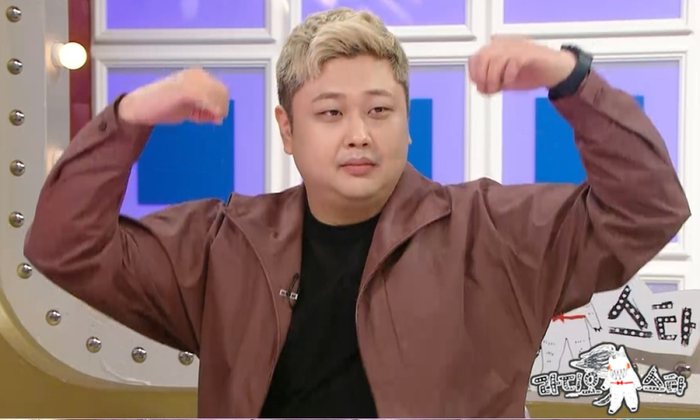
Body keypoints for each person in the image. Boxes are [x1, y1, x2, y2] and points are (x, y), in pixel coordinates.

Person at [24, 7, 689, 419]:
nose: (359, 134)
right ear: (287, 130)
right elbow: (64, 245)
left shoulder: (494, 232)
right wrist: (130, 117)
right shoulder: (221, 243)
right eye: (330, 113)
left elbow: (647, 208)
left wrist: (570, 77)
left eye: (379, 110)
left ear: (407, 124)